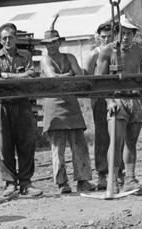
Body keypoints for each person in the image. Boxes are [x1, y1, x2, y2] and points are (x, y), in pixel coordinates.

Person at [95, 15, 142, 195]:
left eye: (130, 33)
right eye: (123, 33)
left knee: (131, 143)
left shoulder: (139, 51)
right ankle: (112, 180)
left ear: (134, 34)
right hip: (117, 100)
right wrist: (109, 100)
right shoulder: (107, 51)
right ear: (117, 33)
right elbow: (99, 81)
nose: (126, 37)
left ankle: (130, 179)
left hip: (136, 101)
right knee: (116, 142)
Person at [39, 26, 95, 194]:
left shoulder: (69, 56)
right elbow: (53, 78)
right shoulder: (45, 60)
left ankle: (83, 180)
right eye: (48, 44)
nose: (52, 46)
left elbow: (80, 76)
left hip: (71, 106)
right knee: (58, 149)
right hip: (54, 108)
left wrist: (71, 75)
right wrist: (70, 75)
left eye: (54, 43)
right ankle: (62, 183)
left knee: (80, 146)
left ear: (59, 42)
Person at [0, 22, 42, 197]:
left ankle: (26, 183)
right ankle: (10, 183)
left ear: (16, 38)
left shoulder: (25, 55)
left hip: (22, 104)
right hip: (2, 105)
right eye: (4, 38)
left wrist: (7, 76)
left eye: (10, 37)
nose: (7, 41)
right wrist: (15, 77)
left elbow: (30, 75)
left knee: (26, 144)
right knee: (4, 145)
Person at [84, 21, 114, 189]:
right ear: (98, 37)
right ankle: (102, 173)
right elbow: (86, 76)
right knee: (102, 135)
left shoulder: (118, 51)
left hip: (118, 96)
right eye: (103, 37)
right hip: (100, 98)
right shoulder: (94, 54)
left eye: (110, 36)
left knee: (119, 133)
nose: (107, 39)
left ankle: (119, 172)